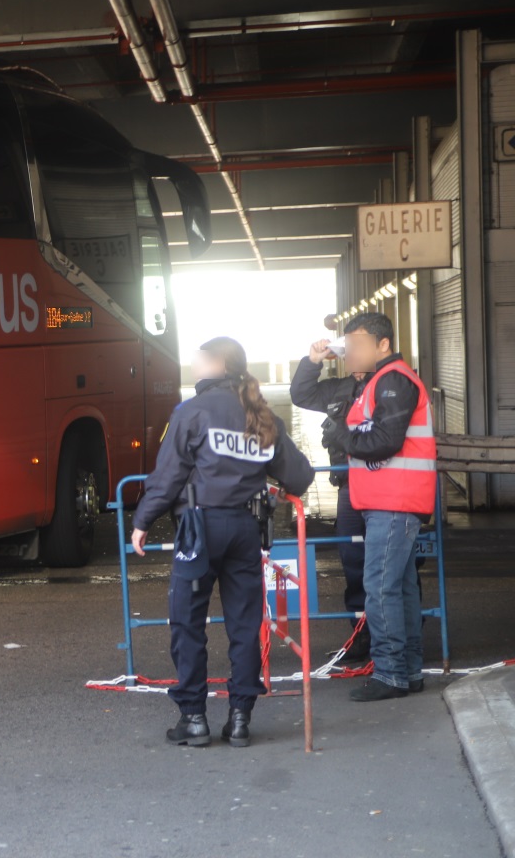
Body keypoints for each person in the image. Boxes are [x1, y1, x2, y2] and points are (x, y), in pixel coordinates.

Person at [131, 337, 315, 748]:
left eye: (198, 360)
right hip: (245, 530)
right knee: (245, 624)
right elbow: (299, 476)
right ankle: (240, 719)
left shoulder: (192, 412)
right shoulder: (262, 414)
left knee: (188, 622)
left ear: (214, 364)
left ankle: (194, 718)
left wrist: (142, 521)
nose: (192, 366)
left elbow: (167, 478)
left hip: (198, 529)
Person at [322, 312, 437, 701]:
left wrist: (341, 432)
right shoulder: (381, 381)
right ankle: (408, 671)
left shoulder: (393, 380)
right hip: (390, 500)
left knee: (380, 588)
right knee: (400, 587)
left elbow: (385, 440)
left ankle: (390, 673)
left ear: (382, 344)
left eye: (355, 344)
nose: (348, 352)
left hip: (394, 501)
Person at [291, 339, 371, 661]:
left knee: (391, 565)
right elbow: (302, 394)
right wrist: (313, 360)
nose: (352, 356)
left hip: (385, 485)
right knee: (354, 563)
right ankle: (361, 634)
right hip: (350, 487)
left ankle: (398, 636)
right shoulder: (340, 388)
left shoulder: (393, 385)